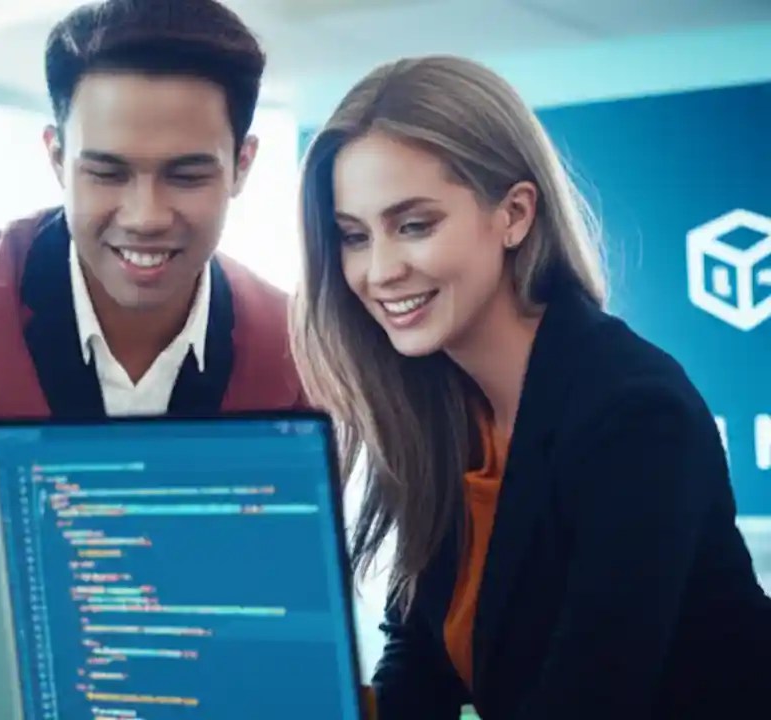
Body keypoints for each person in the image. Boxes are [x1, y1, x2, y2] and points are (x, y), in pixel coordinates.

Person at [293, 56, 771, 719]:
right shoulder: (441, 412)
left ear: (514, 214)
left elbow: (589, 698)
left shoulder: (634, 413)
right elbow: (422, 655)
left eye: (414, 225)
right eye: (353, 236)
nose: (379, 270)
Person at [0, 0, 303, 422]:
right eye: (106, 173)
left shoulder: (292, 344)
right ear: (57, 158)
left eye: (186, 177)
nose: (145, 217)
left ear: (243, 166)